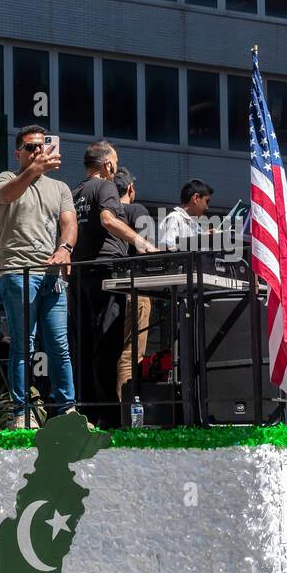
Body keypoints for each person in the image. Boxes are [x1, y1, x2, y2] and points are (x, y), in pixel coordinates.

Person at [0, 125, 79, 428]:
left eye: (41, 146)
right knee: (22, 345)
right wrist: (33, 170)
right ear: (18, 153)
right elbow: (6, 195)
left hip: (52, 275)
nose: (37, 152)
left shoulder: (60, 188)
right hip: (18, 271)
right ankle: (21, 411)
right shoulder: (5, 179)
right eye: (30, 147)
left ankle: (66, 410)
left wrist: (65, 248)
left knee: (58, 344)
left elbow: (69, 223)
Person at [70, 141, 159, 426]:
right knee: (108, 345)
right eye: (116, 162)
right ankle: (110, 416)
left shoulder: (74, 193)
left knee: (84, 346)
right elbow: (108, 219)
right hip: (106, 273)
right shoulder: (105, 187)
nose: (116, 167)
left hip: (80, 275)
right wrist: (140, 241)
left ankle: (88, 413)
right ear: (108, 165)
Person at [113, 169, 154, 403]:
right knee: (132, 353)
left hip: (109, 291)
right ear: (130, 189)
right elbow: (146, 249)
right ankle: (127, 412)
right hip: (135, 289)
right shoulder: (137, 210)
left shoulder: (106, 213)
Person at [158, 179, 214, 250]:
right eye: (207, 201)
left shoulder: (195, 225)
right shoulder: (175, 217)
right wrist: (198, 241)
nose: (207, 208)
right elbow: (167, 248)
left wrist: (207, 237)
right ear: (196, 198)